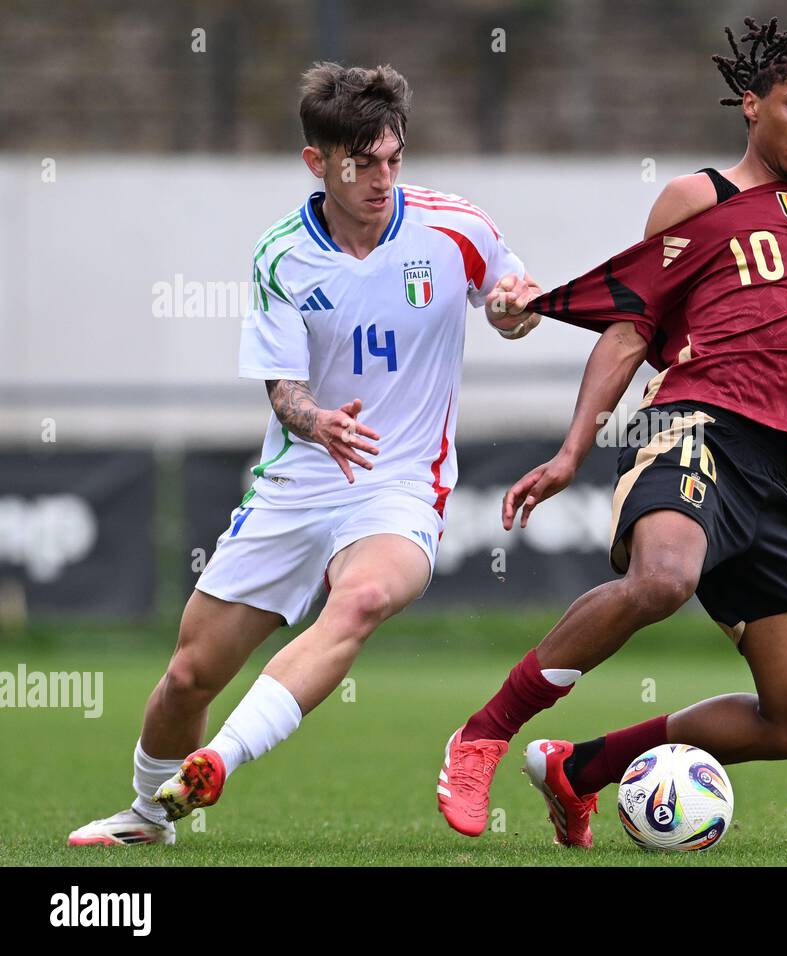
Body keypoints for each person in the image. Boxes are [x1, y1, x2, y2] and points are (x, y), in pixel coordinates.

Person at [437, 18, 787, 848]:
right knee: (663, 580)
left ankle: (580, 768)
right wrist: (574, 448)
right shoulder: (699, 199)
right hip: (693, 425)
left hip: (769, 477)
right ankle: (483, 735)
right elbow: (629, 325)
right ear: (751, 105)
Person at [68, 61, 539, 846]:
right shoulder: (282, 255)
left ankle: (218, 759)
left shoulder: (456, 227)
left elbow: (510, 302)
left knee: (357, 601)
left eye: (394, 158)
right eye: (362, 164)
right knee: (189, 675)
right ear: (316, 162)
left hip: (399, 484)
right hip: (297, 480)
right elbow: (283, 392)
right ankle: (150, 816)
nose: (383, 179)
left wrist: (515, 311)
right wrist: (316, 419)